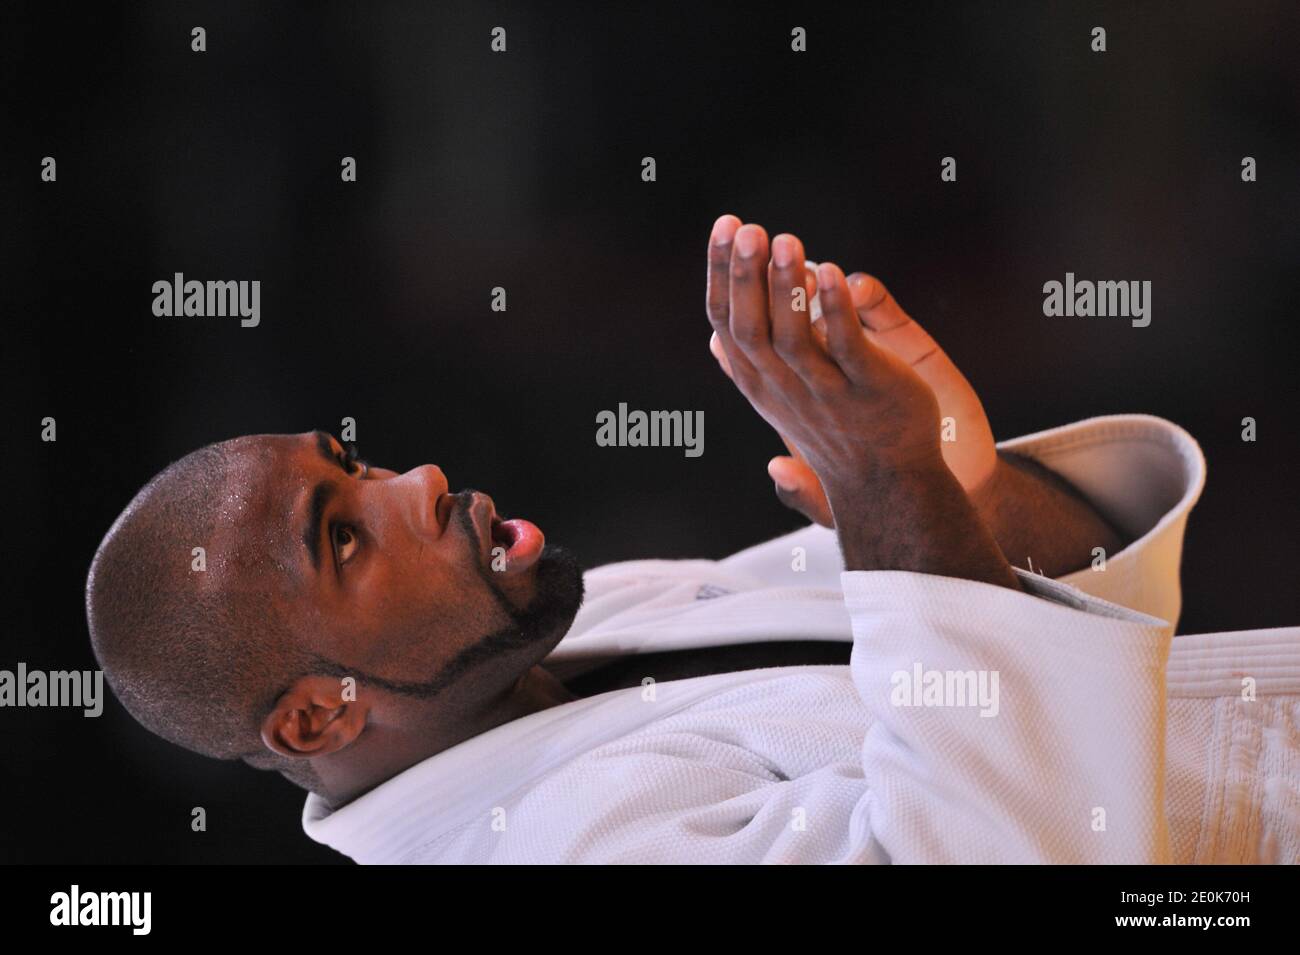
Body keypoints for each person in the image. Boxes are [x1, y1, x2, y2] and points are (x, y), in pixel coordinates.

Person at [85, 215, 1300, 864]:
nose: (418, 481)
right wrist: (886, 484)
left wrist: (958, 490)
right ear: (314, 717)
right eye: (342, 537)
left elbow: (994, 629)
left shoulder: (588, 620)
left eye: (351, 464)